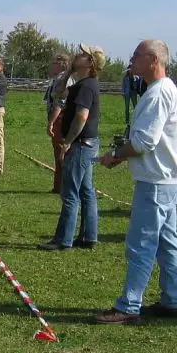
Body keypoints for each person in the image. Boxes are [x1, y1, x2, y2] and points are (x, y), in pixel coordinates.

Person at [96, 39, 177, 324]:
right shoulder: (165, 89)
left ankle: (129, 305)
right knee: (167, 242)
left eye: (136, 55)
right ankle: (172, 300)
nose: (131, 60)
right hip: (167, 181)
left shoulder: (158, 93)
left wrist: (115, 155)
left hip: (156, 183)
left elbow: (144, 142)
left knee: (141, 245)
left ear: (153, 59)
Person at [39, 44, 104, 251]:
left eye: (84, 55)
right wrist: (68, 71)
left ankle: (63, 240)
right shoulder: (83, 83)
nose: (78, 55)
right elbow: (59, 93)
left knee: (70, 194)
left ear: (91, 63)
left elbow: (81, 117)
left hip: (80, 144)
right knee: (86, 191)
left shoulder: (86, 87)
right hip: (87, 144)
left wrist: (67, 141)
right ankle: (88, 237)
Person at [45, 53, 74, 194]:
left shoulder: (64, 80)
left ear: (62, 64)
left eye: (54, 63)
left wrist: (51, 122)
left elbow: (60, 103)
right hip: (57, 118)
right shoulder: (56, 79)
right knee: (57, 152)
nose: (51, 66)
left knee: (62, 151)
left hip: (61, 119)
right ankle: (58, 186)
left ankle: (63, 186)